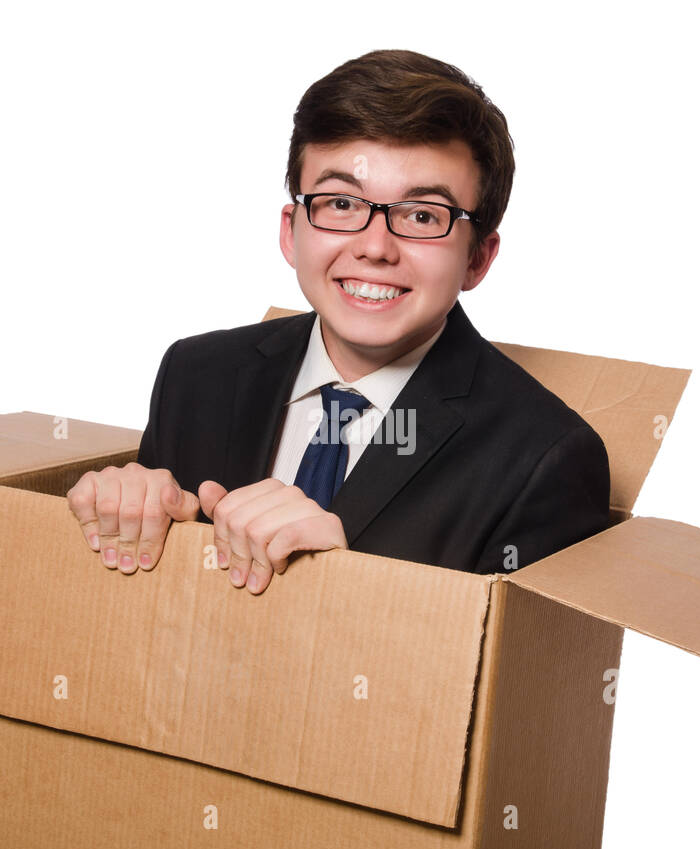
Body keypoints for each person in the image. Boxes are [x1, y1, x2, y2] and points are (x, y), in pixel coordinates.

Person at [66, 49, 610, 594]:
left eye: (423, 215)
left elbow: (512, 672)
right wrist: (129, 508)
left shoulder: (547, 459)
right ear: (291, 230)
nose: (376, 247)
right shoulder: (197, 374)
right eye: (342, 204)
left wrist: (344, 588)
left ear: (477, 258)